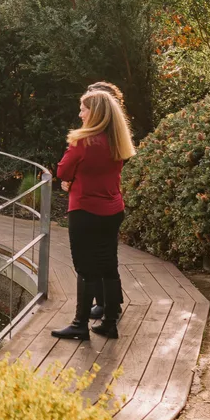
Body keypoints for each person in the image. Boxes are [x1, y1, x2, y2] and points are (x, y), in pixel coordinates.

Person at [51, 88, 136, 340]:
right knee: (108, 266)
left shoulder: (83, 141)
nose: (80, 113)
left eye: (83, 109)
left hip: (85, 210)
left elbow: (63, 171)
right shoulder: (117, 140)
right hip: (112, 210)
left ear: (94, 112)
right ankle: (110, 323)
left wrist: (71, 180)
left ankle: (79, 324)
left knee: (85, 268)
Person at [85, 81, 128, 320]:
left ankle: (106, 303)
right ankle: (110, 302)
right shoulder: (114, 132)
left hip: (101, 202)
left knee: (100, 254)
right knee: (106, 254)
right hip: (110, 199)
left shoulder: (106, 135)